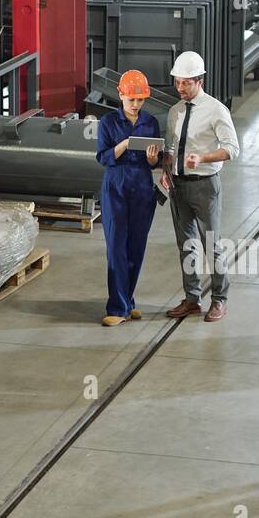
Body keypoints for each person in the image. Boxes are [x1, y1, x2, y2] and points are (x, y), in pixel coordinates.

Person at [162, 52, 240, 324]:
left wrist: (204, 158)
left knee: (212, 245)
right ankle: (192, 299)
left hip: (205, 186)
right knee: (186, 246)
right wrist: (165, 169)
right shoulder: (175, 112)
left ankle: (219, 300)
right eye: (178, 82)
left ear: (200, 81)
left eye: (186, 83)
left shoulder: (216, 110)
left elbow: (233, 149)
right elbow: (171, 148)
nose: (180, 88)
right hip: (179, 186)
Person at [95, 69, 163, 327]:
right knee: (116, 248)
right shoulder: (108, 123)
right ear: (120, 95)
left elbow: (154, 162)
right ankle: (117, 307)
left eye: (140, 100)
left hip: (142, 188)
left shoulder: (151, 122)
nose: (135, 105)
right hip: (117, 188)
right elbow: (102, 157)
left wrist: (153, 159)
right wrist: (122, 146)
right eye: (131, 99)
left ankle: (128, 301)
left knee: (136, 247)